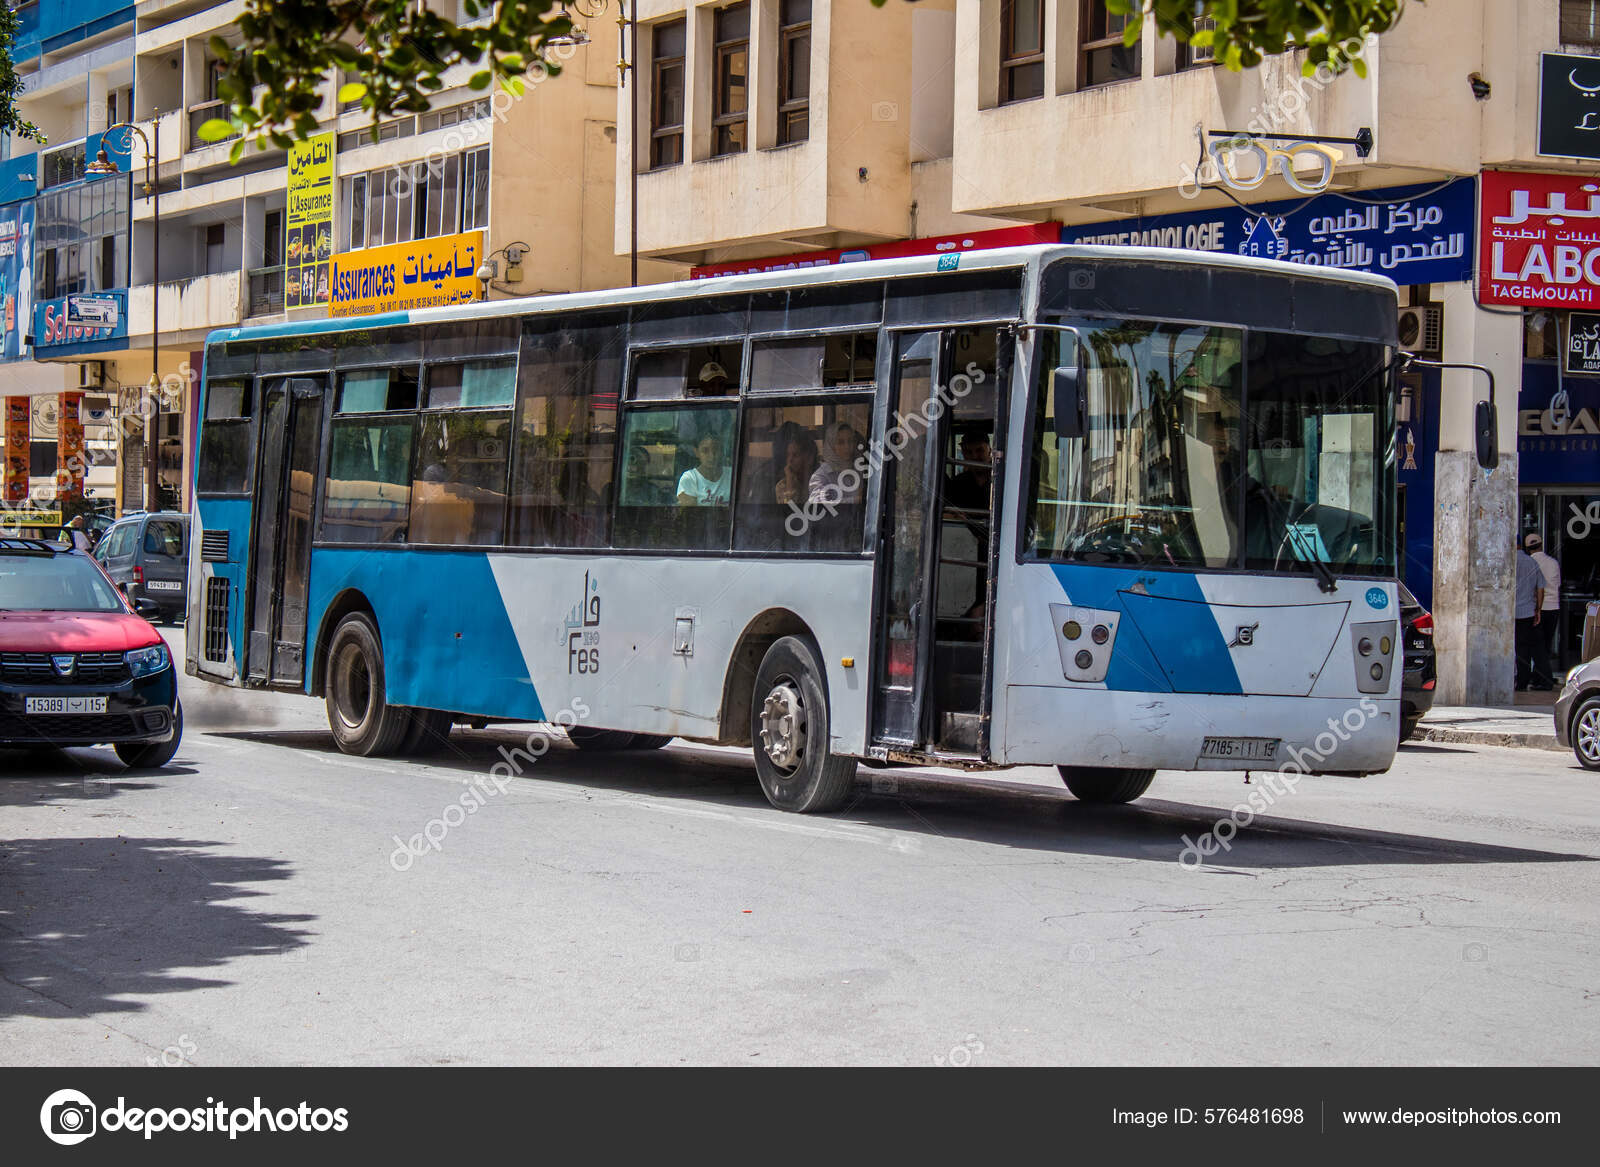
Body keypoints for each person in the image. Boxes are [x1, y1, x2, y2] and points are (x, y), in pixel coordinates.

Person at [1526, 532, 1562, 684]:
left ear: (1528, 549)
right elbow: (1558, 584)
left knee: (1535, 646)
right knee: (1545, 645)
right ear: (1541, 545)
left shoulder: (1529, 563)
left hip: (1536, 608)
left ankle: (1541, 677)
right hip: (1553, 607)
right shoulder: (1553, 562)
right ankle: (1540, 676)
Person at [1514, 541, 1547, 691]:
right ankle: (1523, 680)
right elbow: (1540, 588)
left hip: (1509, 613)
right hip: (1527, 612)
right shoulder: (1532, 562)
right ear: (1520, 546)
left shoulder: (1507, 561)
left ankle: (1516, 680)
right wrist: (1538, 609)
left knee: (1514, 648)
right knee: (1524, 649)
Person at [809, 422, 863, 505]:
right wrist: (853, 500)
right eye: (841, 442)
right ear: (831, 446)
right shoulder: (821, 475)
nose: (847, 446)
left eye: (850, 441)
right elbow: (817, 505)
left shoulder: (858, 470)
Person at [677, 433, 731, 507]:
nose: (712, 456)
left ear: (722, 452)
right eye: (705, 451)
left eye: (716, 450)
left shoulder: (732, 475)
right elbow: (690, 514)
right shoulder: (690, 479)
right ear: (696, 452)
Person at [946, 433, 993, 512]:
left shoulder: (1002, 479)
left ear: (990, 450)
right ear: (963, 454)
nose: (974, 456)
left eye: (979, 450)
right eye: (968, 452)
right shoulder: (957, 483)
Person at [774, 430, 819, 506]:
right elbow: (786, 513)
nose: (790, 460)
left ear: (809, 458)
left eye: (795, 455)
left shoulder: (820, 480)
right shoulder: (782, 485)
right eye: (788, 455)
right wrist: (790, 485)